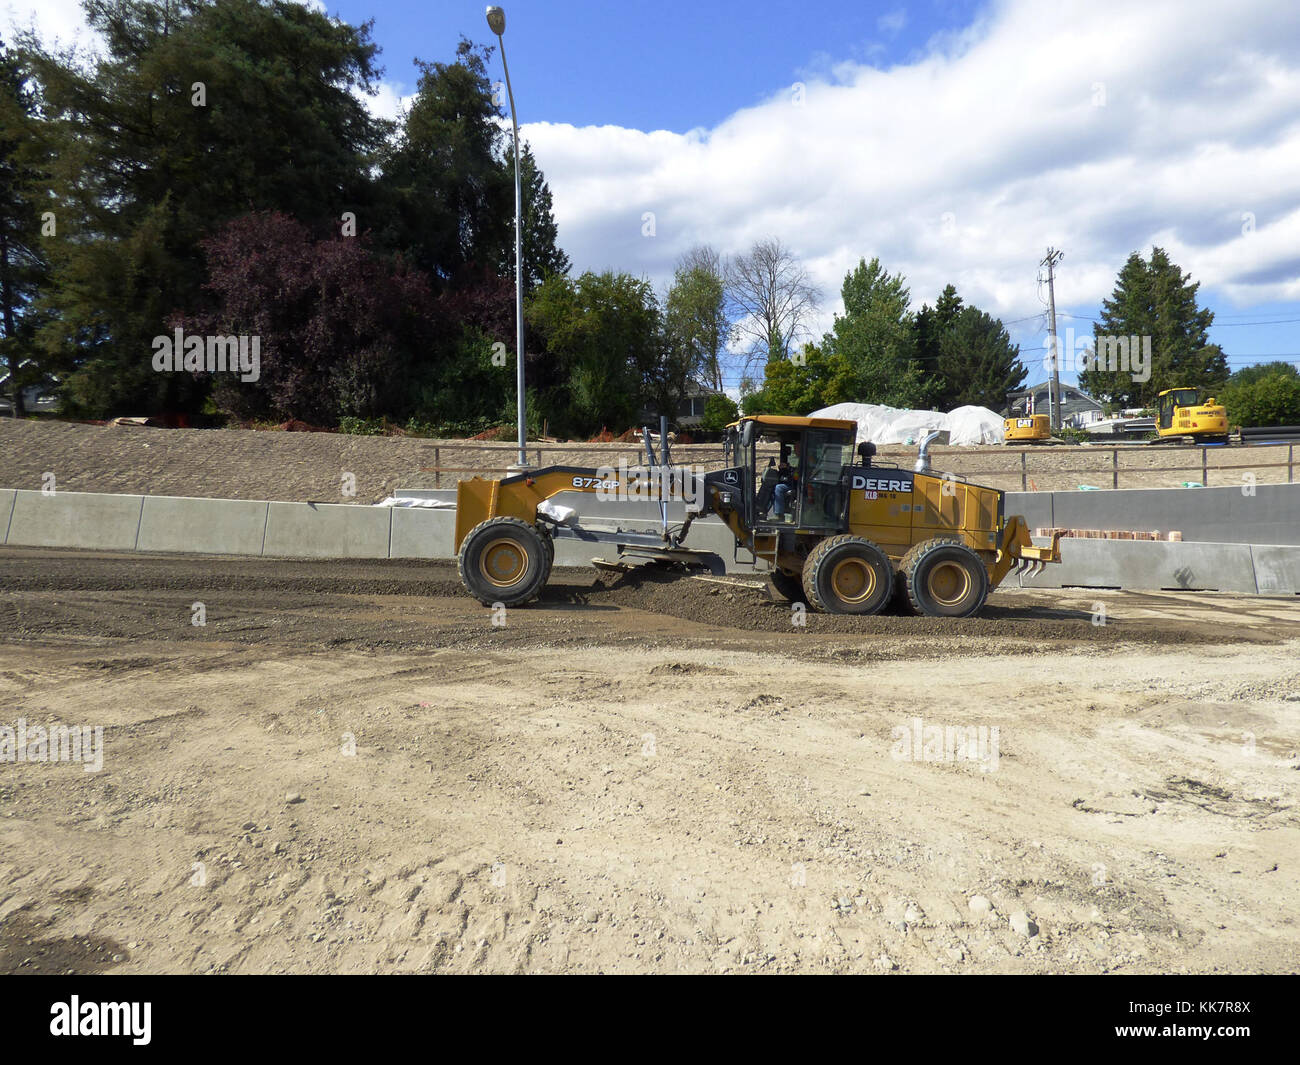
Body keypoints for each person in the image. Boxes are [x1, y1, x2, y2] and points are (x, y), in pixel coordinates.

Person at [771, 445, 797, 520]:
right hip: (790, 481)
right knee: (772, 486)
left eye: (797, 446)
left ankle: (779, 514)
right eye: (795, 447)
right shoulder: (793, 457)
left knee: (778, 488)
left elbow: (799, 470)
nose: (795, 449)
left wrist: (788, 467)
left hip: (796, 484)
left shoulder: (803, 457)